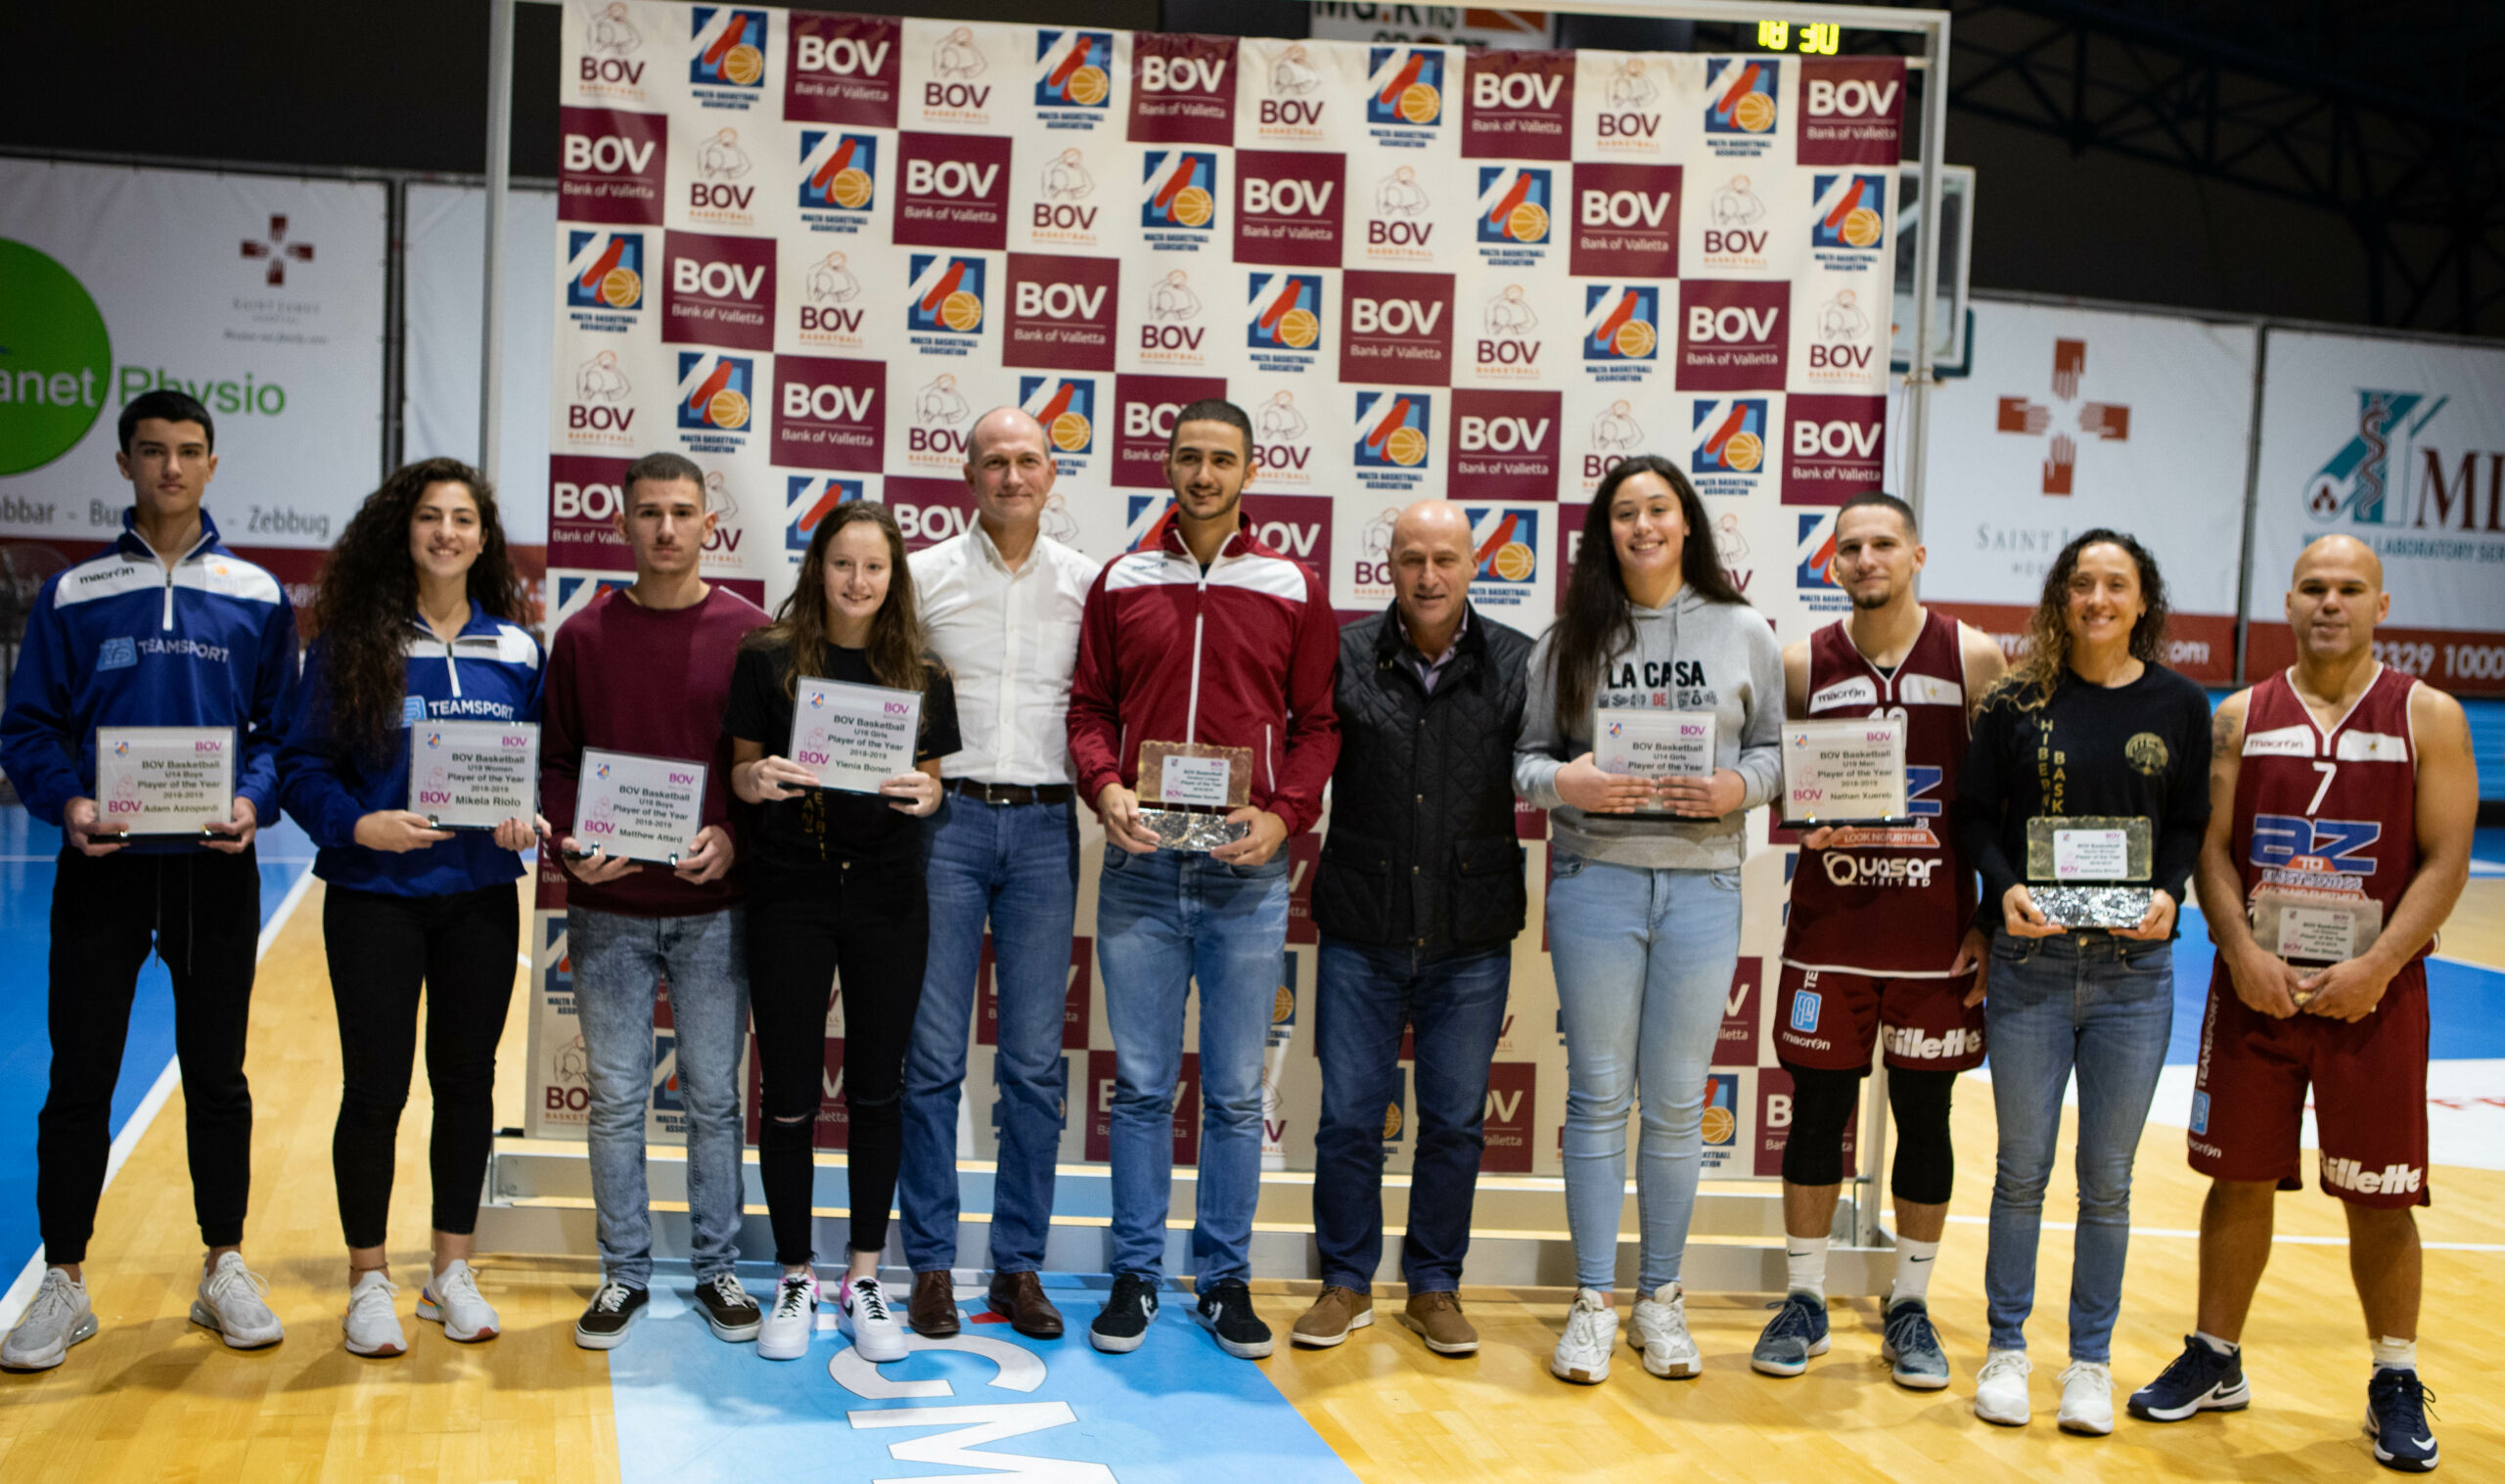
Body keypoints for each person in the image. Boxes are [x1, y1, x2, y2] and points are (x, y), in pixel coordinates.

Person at [2128, 536, 2472, 1473]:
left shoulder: (2428, 715)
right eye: (2314, 587)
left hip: (2378, 994)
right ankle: (2215, 1354)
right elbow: (2211, 845)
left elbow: (2446, 860)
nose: (2331, 602)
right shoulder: (2239, 715)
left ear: (2381, 602)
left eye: (2349, 588)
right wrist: (2236, 948)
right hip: (2258, 988)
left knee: (2380, 1194)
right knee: (2236, 1177)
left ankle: (2394, 1377)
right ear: (2287, 601)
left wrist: (2379, 966)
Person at [0, 389, 296, 1371]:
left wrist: (252, 799)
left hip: (216, 871)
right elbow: (29, 728)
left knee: (217, 1074)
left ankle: (223, 1263)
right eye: (153, 451)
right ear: (124, 464)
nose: (172, 467)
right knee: (79, 1075)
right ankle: (65, 1281)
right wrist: (69, 804)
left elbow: (278, 734)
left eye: (190, 451)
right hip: (107, 867)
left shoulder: (254, 594)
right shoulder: (74, 594)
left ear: (214, 465)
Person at [1068, 398, 1340, 1361]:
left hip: (1242, 873)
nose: (1204, 474)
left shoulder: (1291, 585)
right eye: (1188, 456)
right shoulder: (1122, 577)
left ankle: (1223, 1279)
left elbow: (1318, 725)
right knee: (1141, 1086)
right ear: (1167, 463)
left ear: (1249, 471)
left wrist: (1281, 813)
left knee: (1230, 1092)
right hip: (1140, 866)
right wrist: (1103, 787)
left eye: (1222, 459)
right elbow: (1090, 709)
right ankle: (1135, 1274)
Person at [1514, 455, 1782, 1386]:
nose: (1643, 526)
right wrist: (1569, 781)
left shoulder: (1744, 629)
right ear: (1605, 531)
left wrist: (1737, 786)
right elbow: (1526, 763)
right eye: (1625, 512)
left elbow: (1777, 754)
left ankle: (1659, 1299)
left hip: (1704, 886)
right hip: (1596, 880)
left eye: (1659, 509)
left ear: (1687, 522)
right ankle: (1592, 1300)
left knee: (1675, 1104)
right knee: (1596, 1096)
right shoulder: (1570, 635)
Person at [275, 458, 543, 1357]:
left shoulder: (516, 646)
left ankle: (450, 1271)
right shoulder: (354, 642)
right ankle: (367, 1279)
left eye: (463, 518)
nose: (447, 532)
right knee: (377, 1089)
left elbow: (534, 767)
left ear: (483, 536)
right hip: (374, 897)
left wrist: (525, 819)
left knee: (466, 1087)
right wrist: (359, 825)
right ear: (405, 530)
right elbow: (300, 767)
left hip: (477, 898)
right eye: (430, 516)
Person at [1959, 528, 2212, 1435]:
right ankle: (2007, 1350)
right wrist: (2005, 885)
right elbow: (1976, 817)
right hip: (2030, 963)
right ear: (2060, 597)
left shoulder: (2182, 704)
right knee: (2020, 1170)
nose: (2097, 598)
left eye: (2117, 584)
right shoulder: (2015, 700)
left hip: (2133, 974)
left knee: (2107, 1180)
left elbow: (2187, 823)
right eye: (2081, 583)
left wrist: (2168, 894)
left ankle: (2091, 1365)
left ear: (2144, 601)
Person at [1754, 492, 2004, 1387]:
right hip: (1833, 933)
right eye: (1851, 546)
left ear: (1917, 554)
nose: (1867, 558)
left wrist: (1986, 915)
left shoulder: (1973, 656)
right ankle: (1806, 1297)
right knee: (1817, 1118)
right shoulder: (1800, 662)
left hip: (1936, 939)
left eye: (1884, 544)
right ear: (1833, 561)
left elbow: (1998, 802)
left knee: (1925, 1119)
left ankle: (1910, 1304)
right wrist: (1799, 819)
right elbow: (1779, 782)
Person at [1292, 502, 1531, 1357]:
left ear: (1476, 566)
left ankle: (1434, 1285)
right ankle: (1345, 1281)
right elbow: (1299, 754)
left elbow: (1547, 769)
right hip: (1363, 925)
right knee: (1350, 1117)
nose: (1428, 576)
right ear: (1387, 563)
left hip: (1470, 936)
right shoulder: (1345, 654)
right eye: (1411, 559)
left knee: (1458, 1121)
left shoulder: (1519, 662)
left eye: (1446, 559)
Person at [542, 451, 764, 1352]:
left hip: (718, 905)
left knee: (714, 1096)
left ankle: (716, 1268)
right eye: (648, 512)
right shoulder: (584, 636)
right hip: (609, 908)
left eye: (681, 511)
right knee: (616, 1097)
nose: (665, 528)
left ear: (710, 521)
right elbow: (556, 764)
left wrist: (739, 838)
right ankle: (623, 1273)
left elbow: (776, 768)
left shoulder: (754, 634)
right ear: (622, 522)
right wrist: (570, 841)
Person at [727, 500, 958, 1363]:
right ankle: (795, 1271)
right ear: (816, 568)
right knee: (787, 1090)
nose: (858, 582)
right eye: (842, 564)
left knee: (876, 1089)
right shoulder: (768, 658)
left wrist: (929, 794)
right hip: (789, 890)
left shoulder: (921, 669)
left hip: (890, 897)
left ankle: (864, 1277)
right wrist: (760, 782)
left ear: (893, 578)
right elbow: (739, 770)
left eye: (874, 567)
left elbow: (933, 780)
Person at [898, 409, 1101, 1343]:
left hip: (1048, 830)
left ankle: (1017, 1265)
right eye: (995, 461)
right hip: (946, 824)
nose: (1012, 476)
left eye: (1029, 461)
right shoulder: (923, 575)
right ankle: (931, 1267)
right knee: (933, 1060)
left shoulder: (1086, 584)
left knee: (1031, 1067)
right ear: (966, 470)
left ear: (1053, 474)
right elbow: (879, 694)